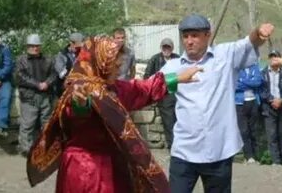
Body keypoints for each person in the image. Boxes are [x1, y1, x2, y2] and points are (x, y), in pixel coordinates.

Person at [26, 35, 201, 192]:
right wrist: (81, 104)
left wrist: (177, 78)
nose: (118, 68)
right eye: (114, 64)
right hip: (84, 170)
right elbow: (76, 112)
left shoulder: (114, 89)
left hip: (114, 166)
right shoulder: (79, 89)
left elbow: (143, 89)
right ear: (101, 61)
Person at [161, 14, 274, 193]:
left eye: (195, 35)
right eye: (185, 36)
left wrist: (258, 32)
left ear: (207, 35)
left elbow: (248, 43)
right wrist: (177, 79)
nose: (189, 41)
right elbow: (149, 88)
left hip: (219, 150)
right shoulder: (172, 67)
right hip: (184, 151)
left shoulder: (225, 56)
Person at [16, 34, 57, 155]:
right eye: (32, 46)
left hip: (45, 95)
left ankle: (47, 148)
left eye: (37, 46)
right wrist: (37, 84)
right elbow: (20, 76)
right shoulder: (21, 60)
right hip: (29, 96)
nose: (35, 48)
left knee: (47, 124)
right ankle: (26, 150)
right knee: (28, 123)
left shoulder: (48, 59)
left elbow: (54, 74)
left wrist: (47, 83)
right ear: (27, 46)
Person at [144, 37, 180, 149]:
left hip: (178, 94)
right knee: (169, 122)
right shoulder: (155, 59)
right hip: (164, 95)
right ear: (161, 48)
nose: (166, 49)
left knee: (180, 121)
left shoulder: (178, 58)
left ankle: (181, 145)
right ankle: (173, 147)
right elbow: (147, 77)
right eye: (164, 47)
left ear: (172, 48)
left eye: (168, 47)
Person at [260, 49, 282, 166]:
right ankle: (276, 161)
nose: (273, 59)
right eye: (271, 56)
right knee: (272, 135)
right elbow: (261, 90)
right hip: (269, 108)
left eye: (276, 56)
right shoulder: (263, 74)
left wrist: (281, 100)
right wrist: (271, 100)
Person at [234, 60, 263, 164]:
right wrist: (250, 83)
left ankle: (256, 156)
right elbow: (235, 85)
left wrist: (243, 81)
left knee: (254, 130)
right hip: (239, 103)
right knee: (244, 131)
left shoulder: (255, 67)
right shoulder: (236, 68)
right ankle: (248, 156)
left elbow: (258, 82)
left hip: (253, 101)